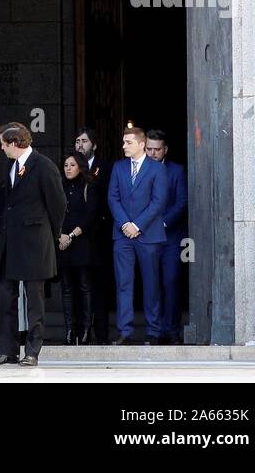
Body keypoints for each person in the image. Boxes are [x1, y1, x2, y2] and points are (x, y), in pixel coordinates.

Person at [0, 122, 66, 368]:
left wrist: (49, 235)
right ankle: (7, 350)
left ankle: (32, 351)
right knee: (5, 297)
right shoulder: (12, 166)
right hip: (11, 243)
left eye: (4, 144)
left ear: (15, 143)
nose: (1, 148)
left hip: (34, 243)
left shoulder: (43, 166)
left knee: (34, 301)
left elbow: (58, 204)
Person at [108, 126, 168, 345]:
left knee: (151, 284)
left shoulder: (157, 169)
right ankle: (125, 331)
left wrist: (137, 225)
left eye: (128, 142)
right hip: (123, 235)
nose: (124, 146)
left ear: (141, 145)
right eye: (123, 142)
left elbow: (158, 201)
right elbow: (112, 198)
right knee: (123, 283)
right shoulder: (118, 167)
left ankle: (153, 331)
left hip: (148, 235)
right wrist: (125, 224)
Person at [146, 129, 188, 344]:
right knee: (151, 284)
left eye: (157, 149)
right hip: (146, 238)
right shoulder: (138, 171)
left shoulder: (176, 171)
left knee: (170, 282)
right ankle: (154, 331)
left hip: (170, 238)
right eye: (149, 149)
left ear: (165, 150)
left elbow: (181, 202)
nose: (152, 153)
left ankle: (171, 330)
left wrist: (162, 222)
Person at [75, 125, 113, 344]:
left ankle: (101, 334)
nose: (80, 145)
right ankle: (80, 333)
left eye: (84, 141)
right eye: (77, 142)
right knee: (79, 287)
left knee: (99, 287)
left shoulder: (105, 168)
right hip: (77, 238)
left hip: (99, 236)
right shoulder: (70, 168)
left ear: (94, 145)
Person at [57, 151, 99, 344]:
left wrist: (72, 235)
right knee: (66, 288)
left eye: (72, 165)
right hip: (62, 242)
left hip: (82, 242)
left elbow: (91, 214)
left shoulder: (88, 186)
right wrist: (60, 237)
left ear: (80, 167)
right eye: (65, 165)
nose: (68, 168)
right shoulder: (59, 187)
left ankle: (85, 330)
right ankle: (69, 330)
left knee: (84, 287)